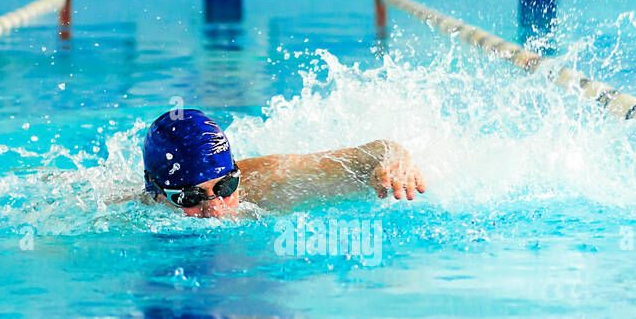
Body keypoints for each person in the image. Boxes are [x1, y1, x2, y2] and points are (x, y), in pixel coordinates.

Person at [140, 108, 425, 218]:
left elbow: (374, 153)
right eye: (191, 196)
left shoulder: (269, 181)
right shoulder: (121, 214)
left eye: (226, 186)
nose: (215, 210)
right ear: (156, 192)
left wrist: (396, 160)